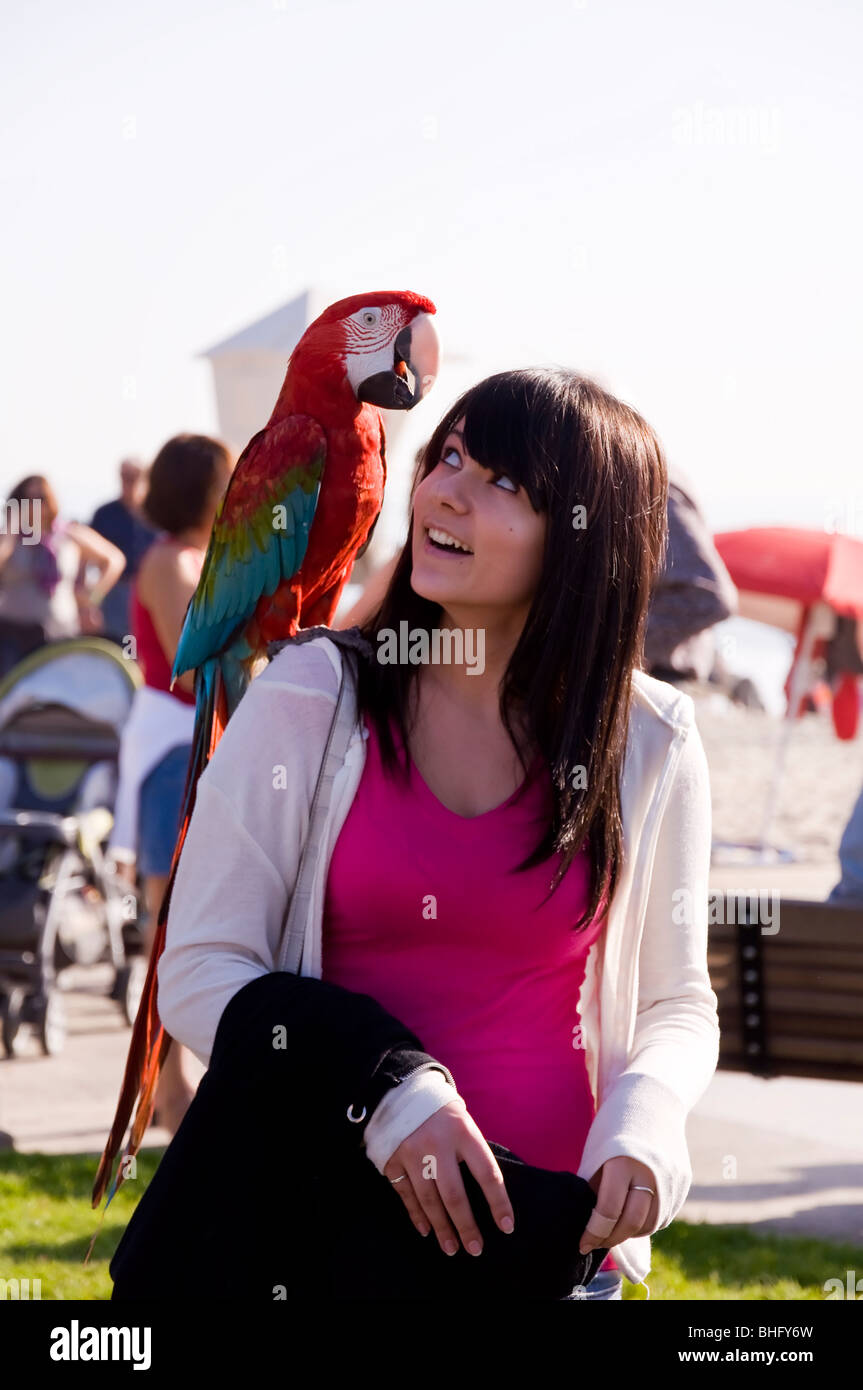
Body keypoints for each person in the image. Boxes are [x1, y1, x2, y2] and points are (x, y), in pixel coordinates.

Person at [156, 370, 720, 1299]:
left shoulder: (651, 738)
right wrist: (386, 1094)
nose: (444, 491)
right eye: (448, 457)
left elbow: (676, 1002)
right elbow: (202, 968)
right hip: (319, 1233)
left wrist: (646, 1122)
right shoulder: (311, 698)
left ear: (585, 538)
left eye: (504, 482)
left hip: (554, 1245)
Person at [107, 434, 233, 1136]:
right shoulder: (171, 560)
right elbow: (195, 665)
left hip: (190, 749)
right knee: (172, 923)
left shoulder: (193, 558)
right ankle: (166, 1086)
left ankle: (170, 1084)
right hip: (175, 754)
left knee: (189, 920)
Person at [0, 475, 126, 678]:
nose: (33, 505)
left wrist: (91, 596)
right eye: (27, 498)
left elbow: (114, 560)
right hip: (12, 635)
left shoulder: (68, 533)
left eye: (40, 498)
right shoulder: (9, 537)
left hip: (59, 631)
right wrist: (10, 529)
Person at [89, 460, 159, 644]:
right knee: (114, 645)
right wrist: (91, 601)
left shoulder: (157, 515)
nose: (130, 482)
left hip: (148, 590)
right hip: (115, 591)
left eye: (135, 477)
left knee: (144, 646)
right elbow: (87, 557)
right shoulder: (104, 514)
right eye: (126, 477)